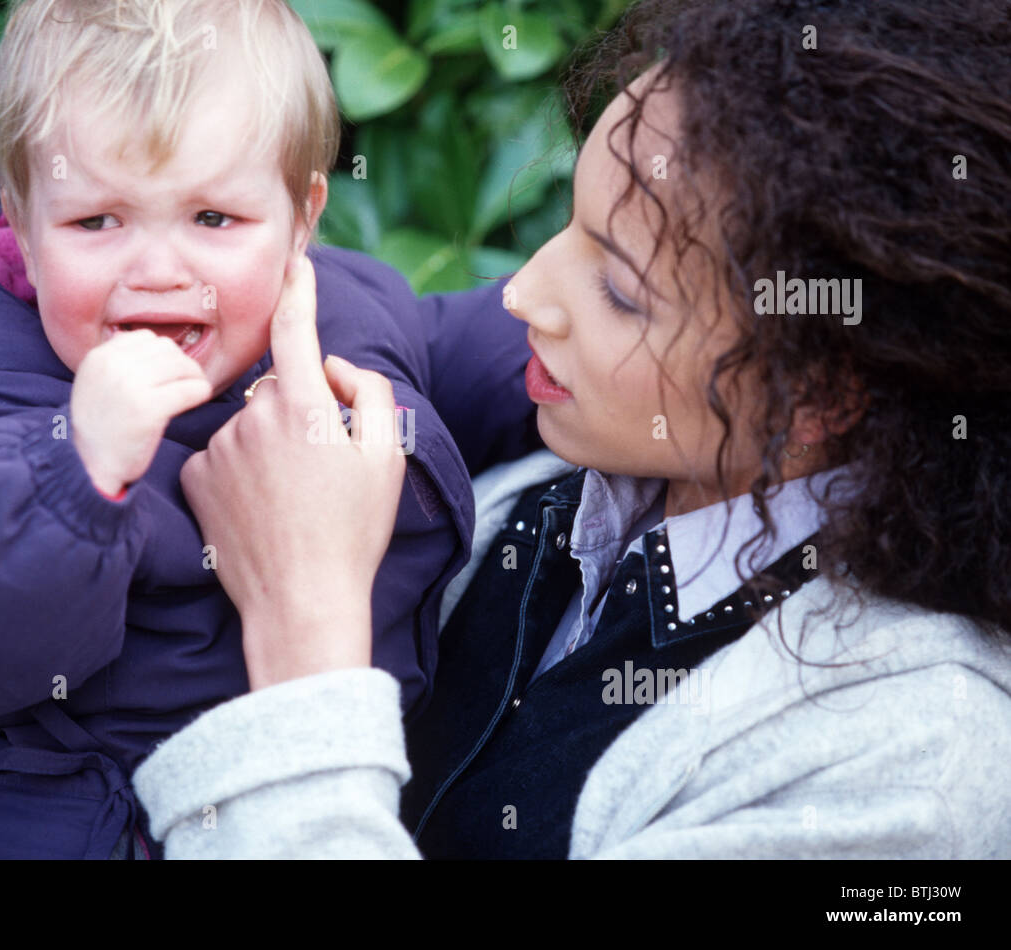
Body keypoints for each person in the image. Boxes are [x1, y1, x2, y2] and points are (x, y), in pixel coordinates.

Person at [135, 0, 1011, 858]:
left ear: (821, 395)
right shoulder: (543, 474)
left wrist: (305, 625)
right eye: (570, 221)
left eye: (622, 290)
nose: (522, 293)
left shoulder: (911, 765)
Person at [0, 0, 539, 858]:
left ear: (302, 217)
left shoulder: (352, 324)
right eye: (95, 221)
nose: (155, 270)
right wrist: (74, 473)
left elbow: (469, 352)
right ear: (23, 228)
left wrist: (579, 330)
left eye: (213, 219)